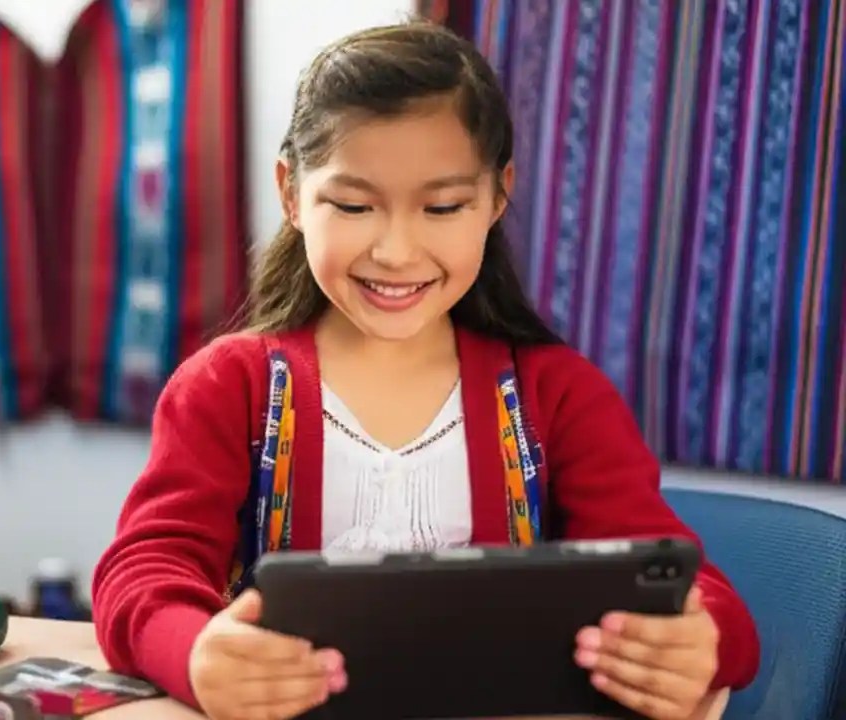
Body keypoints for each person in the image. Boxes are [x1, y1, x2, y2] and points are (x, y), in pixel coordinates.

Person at [91, 18, 760, 720]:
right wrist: (197, 651)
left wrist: (696, 641)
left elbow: (699, 598)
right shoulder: (230, 386)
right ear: (291, 194)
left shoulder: (557, 395)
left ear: (498, 197)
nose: (397, 251)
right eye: (352, 205)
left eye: (443, 207)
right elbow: (141, 575)